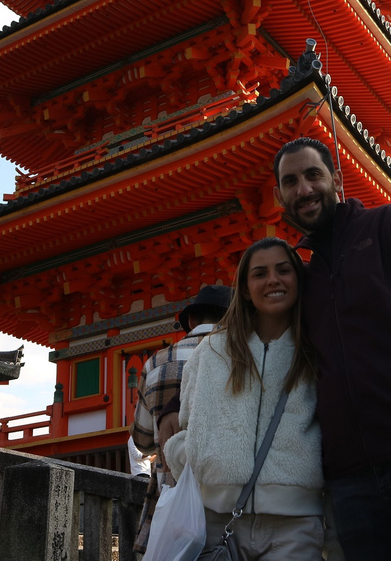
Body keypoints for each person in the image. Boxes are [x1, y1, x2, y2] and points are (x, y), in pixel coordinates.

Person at [165, 237, 324, 560]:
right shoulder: (212, 352)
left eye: (283, 270)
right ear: (245, 287)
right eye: (260, 273)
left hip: (294, 527)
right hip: (216, 522)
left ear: (298, 278)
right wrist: (191, 455)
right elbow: (188, 424)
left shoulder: (317, 351)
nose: (273, 280)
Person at [273, 136, 391, 560]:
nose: (303, 189)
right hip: (349, 480)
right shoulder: (301, 280)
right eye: (291, 181)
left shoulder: (382, 228)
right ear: (279, 196)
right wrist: (171, 399)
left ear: (337, 179)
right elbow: (254, 350)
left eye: (313, 175)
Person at [130, 284, 231, 553]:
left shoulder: (155, 362)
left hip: (171, 503)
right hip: (227, 499)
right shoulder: (241, 356)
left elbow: (142, 441)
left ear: (191, 320)